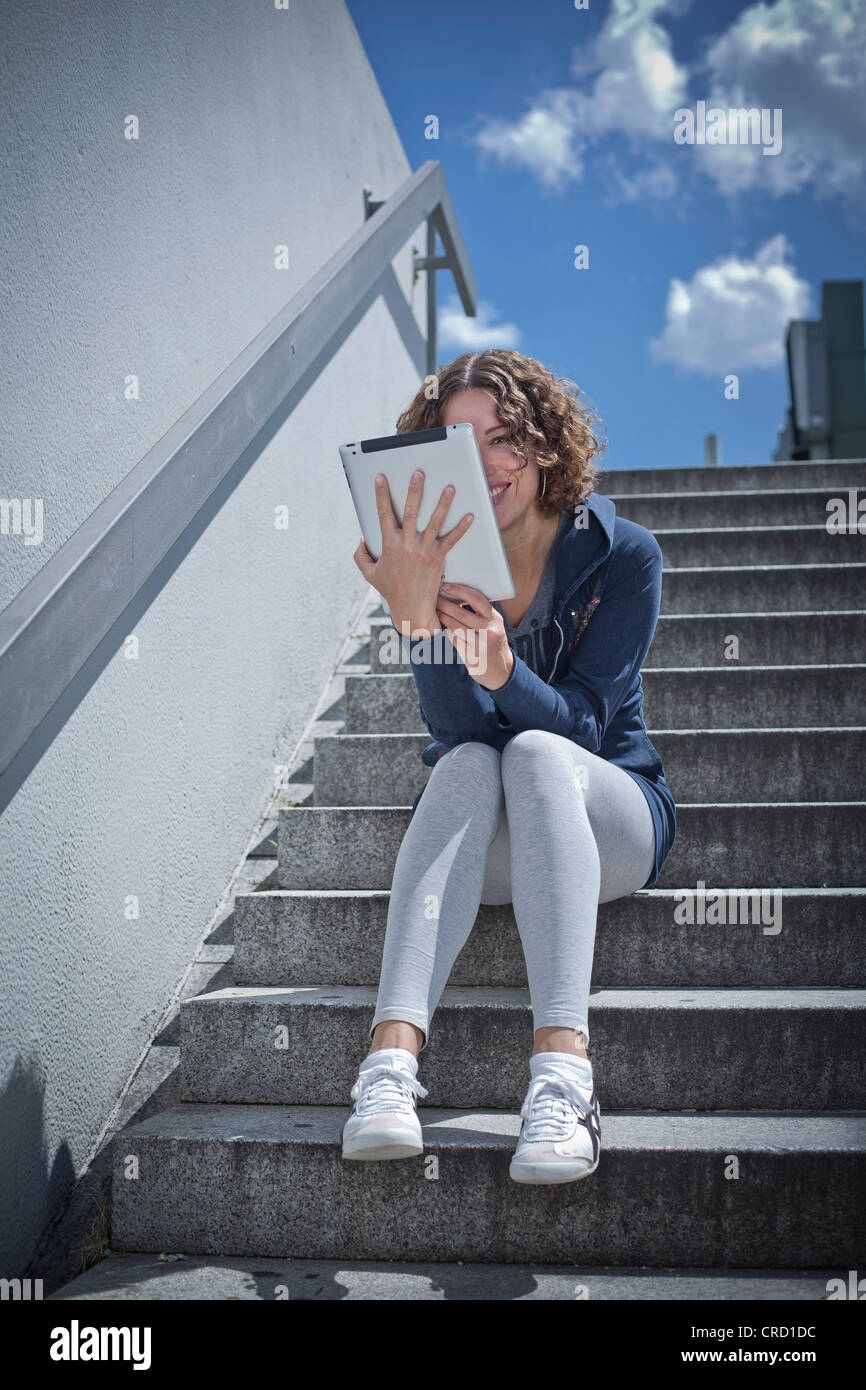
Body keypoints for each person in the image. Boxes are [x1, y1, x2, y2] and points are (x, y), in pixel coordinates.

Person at [341, 349, 676, 1184]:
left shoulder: (623, 555)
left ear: (544, 444)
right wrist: (418, 624)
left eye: (503, 437)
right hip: (492, 836)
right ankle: (388, 1071)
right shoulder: (436, 567)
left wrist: (504, 672)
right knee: (462, 765)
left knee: (534, 751)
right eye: (461, 443)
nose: (487, 462)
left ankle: (564, 1080)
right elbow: (458, 732)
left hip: (610, 819)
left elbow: (588, 729)